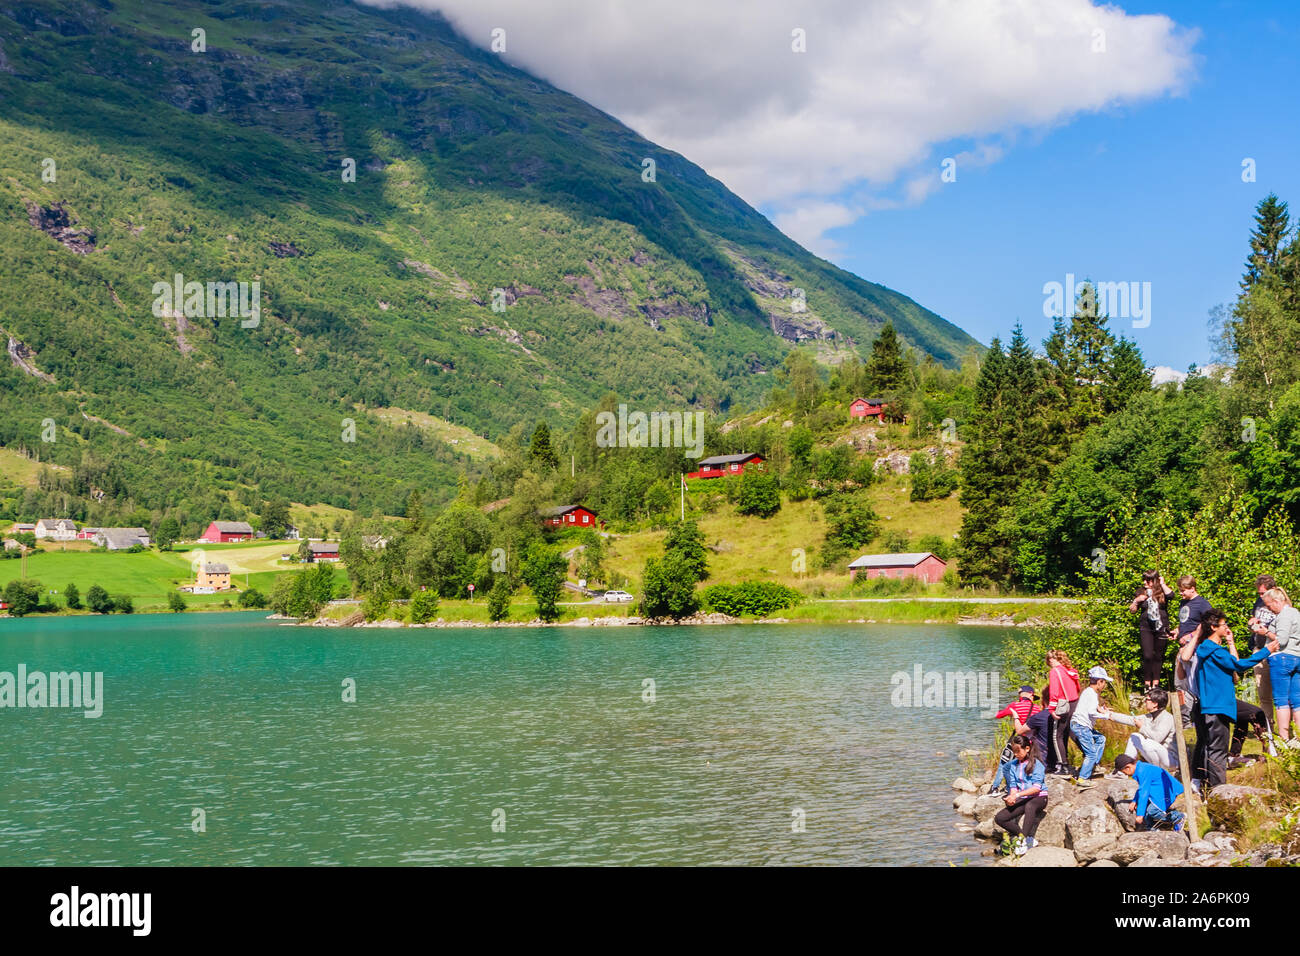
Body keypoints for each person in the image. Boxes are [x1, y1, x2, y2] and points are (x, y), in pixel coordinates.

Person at [1179, 609, 1276, 791]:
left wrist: (1231, 642)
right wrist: (1266, 651)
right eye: (1224, 624)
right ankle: (1218, 789)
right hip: (1218, 706)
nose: (1227, 627)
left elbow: (1232, 662)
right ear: (1214, 627)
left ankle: (1206, 785)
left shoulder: (1209, 649)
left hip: (1211, 706)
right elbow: (1239, 665)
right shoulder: (1214, 650)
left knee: (1209, 747)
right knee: (1218, 750)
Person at [1253, 587, 1300, 741]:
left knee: (1281, 700)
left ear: (1277, 601)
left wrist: (1265, 632)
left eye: (1269, 605)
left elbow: (1281, 640)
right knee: (1296, 700)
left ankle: (1284, 740)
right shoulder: (1295, 613)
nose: (1268, 609)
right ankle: (1297, 739)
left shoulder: (1285, 615)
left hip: (1282, 659)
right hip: (1296, 657)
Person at [993, 734, 1049, 856]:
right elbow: (1013, 785)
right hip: (1023, 798)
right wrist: (1011, 797)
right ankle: (1026, 838)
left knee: (1030, 806)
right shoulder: (1013, 765)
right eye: (1014, 752)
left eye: (1018, 751)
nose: (1016, 754)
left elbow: (1036, 788)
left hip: (1039, 798)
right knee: (1000, 818)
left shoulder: (1037, 764)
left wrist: (1017, 795)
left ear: (1027, 748)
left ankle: (1023, 841)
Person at [1114, 754, 1185, 832]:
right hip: (1158, 789)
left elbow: (1144, 793)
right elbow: (1142, 789)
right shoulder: (1140, 769)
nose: (1125, 774)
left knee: (1152, 811)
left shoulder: (1142, 771)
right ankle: (1151, 829)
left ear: (1128, 767)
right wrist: (1135, 801)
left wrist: (1140, 815)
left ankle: (1178, 818)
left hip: (1168, 790)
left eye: (1124, 772)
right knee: (1147, 811)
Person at [989, 686, 1040, 792]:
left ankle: (995, 788)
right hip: (1030, 742)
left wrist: (1011, 713)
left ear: (1021, 695)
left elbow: (998, 715)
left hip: (1018, 741)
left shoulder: (1015, 706)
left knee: (1004, 762)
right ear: (1030, 694)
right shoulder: (1037, 708)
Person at [1128, 571, 1173, 690]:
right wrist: (1136, 601)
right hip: (1146, 627)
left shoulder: (1162, 591)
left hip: (1161, 626)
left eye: (1148, 580)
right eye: (1144, 580)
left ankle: (1155, 684)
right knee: (1147, 655)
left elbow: (1171, 596)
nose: (1145, 582)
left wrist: (1162, 584)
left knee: (1158, 656)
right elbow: (1132, 611)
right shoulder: (1140, 592)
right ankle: (1147, 683)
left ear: (1154, 581)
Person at [1070, 666, 1113, 789]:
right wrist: (1106, 716)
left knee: (1101, 739)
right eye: (1104, 682)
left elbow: (1093, 707)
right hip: (1081, 726)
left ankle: (1093, 766)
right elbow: (1091, 712)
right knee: (1091, 754)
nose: (1104, 685)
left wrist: (1102, 709)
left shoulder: (1089, 692)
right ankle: (1083, 779)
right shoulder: (1092, 694)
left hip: (1080, 725)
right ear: (1099, 682)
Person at [1123, 688, 1178, 770]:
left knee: (1148, 743)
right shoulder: (1150, 716)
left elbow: (1157, 738)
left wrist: (1141, 727)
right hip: (1158, 756)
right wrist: (1108, 715)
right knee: (1134, 736)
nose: (1145, 702)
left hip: (1170, 760)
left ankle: (1155, 771)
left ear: (1155, 704)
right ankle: (1126, 768)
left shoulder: (1167, 718)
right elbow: (1129, 719)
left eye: (1147, 699)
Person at [1046, 650, 1081, 776]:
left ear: (1051, 660)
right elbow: (1078, 688)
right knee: (1072, 732)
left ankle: (1062, 765)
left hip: (1063, 705)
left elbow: (1054, 692)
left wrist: (1051, 709)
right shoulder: (1071, 671)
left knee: (1057, 735)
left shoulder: (1055, 671)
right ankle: (1091, 757)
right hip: (1075, 702)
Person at [1248, 575, 1279, 708]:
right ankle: (1268, 727)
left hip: (1275, 649)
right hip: (1259, 649)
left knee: (1280, 693)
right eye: (1259, 593)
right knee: (1263, 693)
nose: (1261, 596)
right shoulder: (1259, 602)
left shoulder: (1282, 605)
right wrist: (1251, 623)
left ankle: (1289, 727)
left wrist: (1265, 631)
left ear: (1273, 589)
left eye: (1263, 593)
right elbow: (1254, 619)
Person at [1228, 699, 1271, 768]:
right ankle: (1268, 754)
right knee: (1257, 713)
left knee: (1242, 719)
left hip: (1215, 699)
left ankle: (1233, 756)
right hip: (1218, 701)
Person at [1175, 575, 1212, 645]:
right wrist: (1177, 630)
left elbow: (1209, 625)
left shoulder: (1203, 604)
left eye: (1183, 590)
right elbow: (1187, 622)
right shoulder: (1183, 602)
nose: (1180, 593)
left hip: (1197, 645)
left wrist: (1191, 636)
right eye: (1179, 590)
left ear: (1192, 589)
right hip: (1183, 645)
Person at [1027, 685, 1054, 772]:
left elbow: (1020, 730)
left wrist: (1016, 717)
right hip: (1057, 761)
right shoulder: (1062, 716)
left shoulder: (1038, 717)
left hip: (1042, 760)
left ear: (1043, 700)